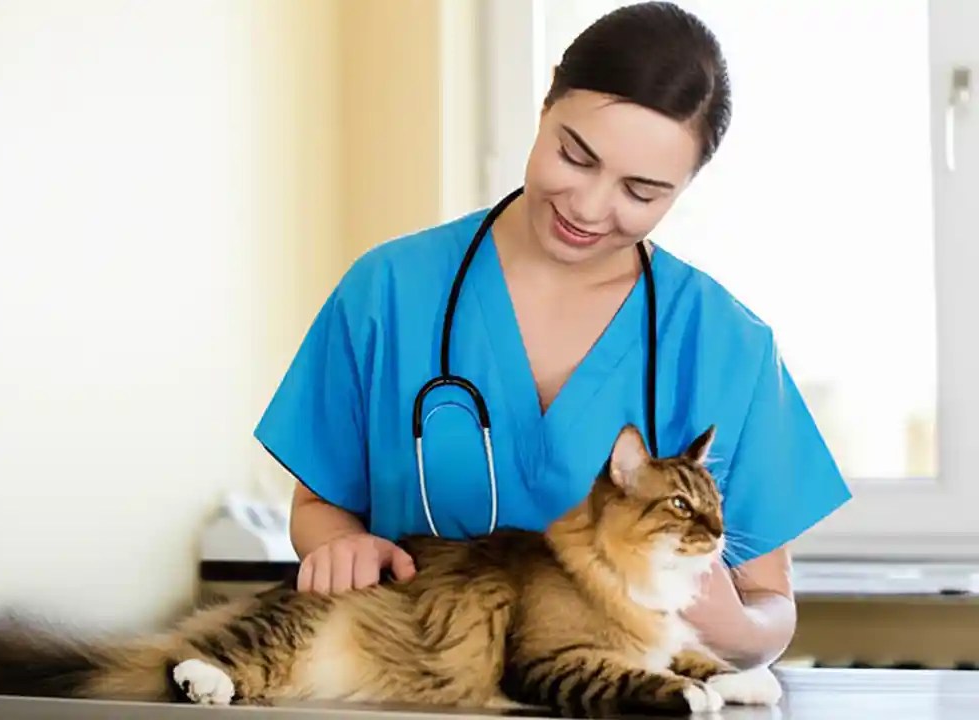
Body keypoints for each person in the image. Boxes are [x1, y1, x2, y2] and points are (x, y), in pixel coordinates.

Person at [253, 1, 850, 670]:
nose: (590, 208)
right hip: (419, 691)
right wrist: (339, 546)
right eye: (575, 155)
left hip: (629, 705)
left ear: (684, 188)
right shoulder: (388, 291)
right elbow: (318, 506)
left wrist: (732, 628)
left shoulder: (724, 345)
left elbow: (770, 606)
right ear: (546, 104)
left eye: (643, 192)